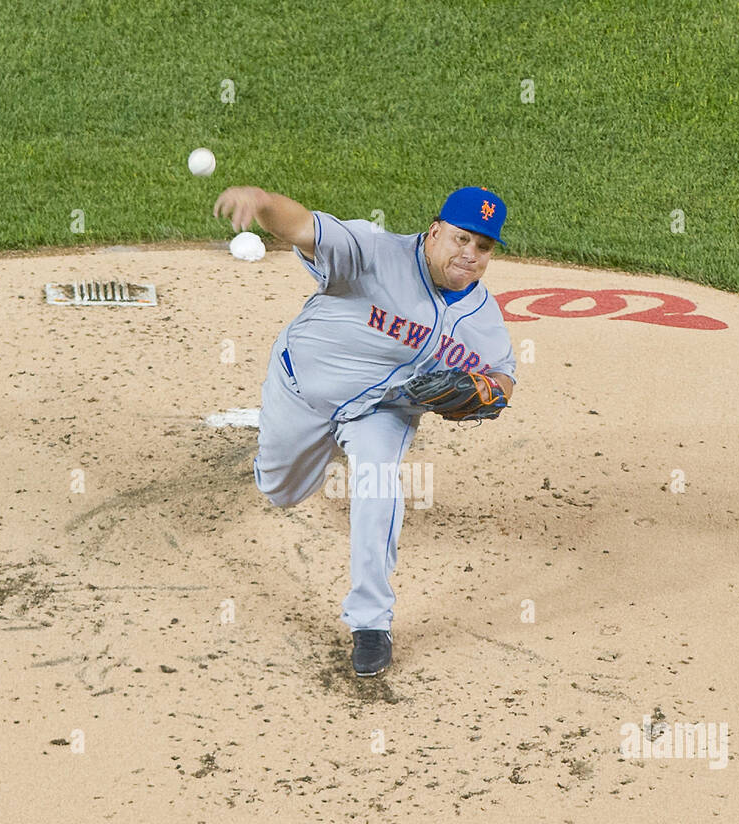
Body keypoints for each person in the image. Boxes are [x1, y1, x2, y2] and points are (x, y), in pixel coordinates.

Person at [213, 185, 517, 676]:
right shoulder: (373, 251)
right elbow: (303, 227)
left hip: (382, 412)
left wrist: (486, 393)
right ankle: (290, 459)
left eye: (483, 247)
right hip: (304, 389)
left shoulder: (479, 314)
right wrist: (263, 202)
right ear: (435, 231)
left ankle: (370, 623)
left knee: (379, 486)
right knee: (280, 492)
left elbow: (503, 377)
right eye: (461, 239)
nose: (470, 254)